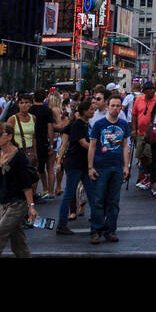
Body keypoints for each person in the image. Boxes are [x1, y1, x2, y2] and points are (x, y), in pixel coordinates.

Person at [0, 122, 37, 258]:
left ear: (9, 137)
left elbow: (26, 183)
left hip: (17, 204)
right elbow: (2, 179)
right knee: (17, 242)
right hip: (4, 203)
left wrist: (31, 206)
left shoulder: (18, 156)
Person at [86, 94, 131, 244]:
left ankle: (110, 230)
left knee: (114, 201)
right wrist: (90, 167)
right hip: (101, 166)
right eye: (113, 105)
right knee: (98, 200)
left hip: (117, 166)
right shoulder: (99, 124)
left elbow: (125, 145)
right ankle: (96, 230)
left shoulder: (124, 124)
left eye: (118, 106)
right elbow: (92, 146)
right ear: (107, 106)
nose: (115, 109)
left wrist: (126, 166)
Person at [55, 98, 94, 235]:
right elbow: (83, 143)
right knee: (69, 194)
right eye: (90, 110)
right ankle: (61, 224)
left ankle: (96, 221)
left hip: (83, 164)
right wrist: (97, 150)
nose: (93, 111)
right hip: (75, 164)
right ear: (84, 112)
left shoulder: (85, 124)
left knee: (91, 192)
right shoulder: (78, 125)